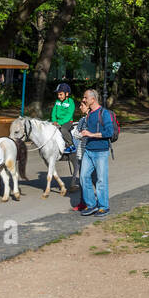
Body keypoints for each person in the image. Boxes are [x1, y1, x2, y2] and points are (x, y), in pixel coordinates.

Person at [76, 88, 113, 217]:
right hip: (88, 151)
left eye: (85, 98)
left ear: (93, 99)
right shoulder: (89, 114)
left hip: (101, 152)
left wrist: (91, 134)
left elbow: (109, 132)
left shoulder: (104, 113)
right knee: (83, 177)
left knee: (101, 180)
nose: (84, 100)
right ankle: (91, 205)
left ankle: (104, 206)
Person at [52, 82, 77, 153]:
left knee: (63, 129)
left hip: (68, 121)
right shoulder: (57, 101)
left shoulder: (70, 102)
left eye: (61, 94)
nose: (59, 96)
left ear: (67, 94)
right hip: (57, 121)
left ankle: (71, 145)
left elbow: (69, 115)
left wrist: (59, 123)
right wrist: (54, 120)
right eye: (58, 94)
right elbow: (54, 112)